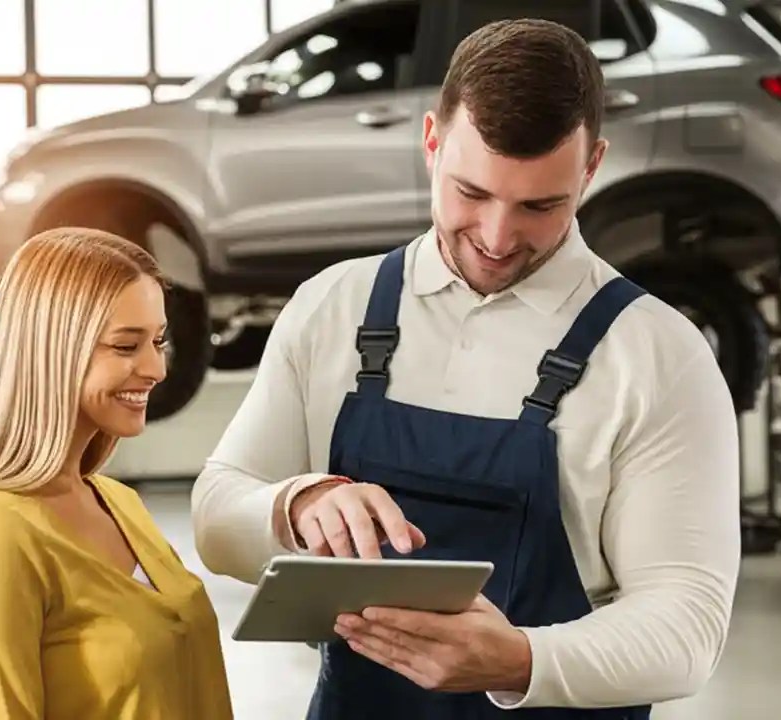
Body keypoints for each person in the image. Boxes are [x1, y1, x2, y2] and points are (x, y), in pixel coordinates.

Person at [192, 18, 740, 719]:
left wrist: (520, 661)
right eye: (471, 193)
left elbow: (686, 627)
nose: (497, 237)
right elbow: (214, 515)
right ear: (431, 141)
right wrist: (297, 504)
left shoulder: (659, 356)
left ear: (592, 166)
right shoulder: (334, 306)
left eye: (541, 205)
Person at [0, 228, 233, 719]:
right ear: (52, 350)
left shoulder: (118, 502)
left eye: (157, 341)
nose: (157, 369)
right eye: (127, 346)